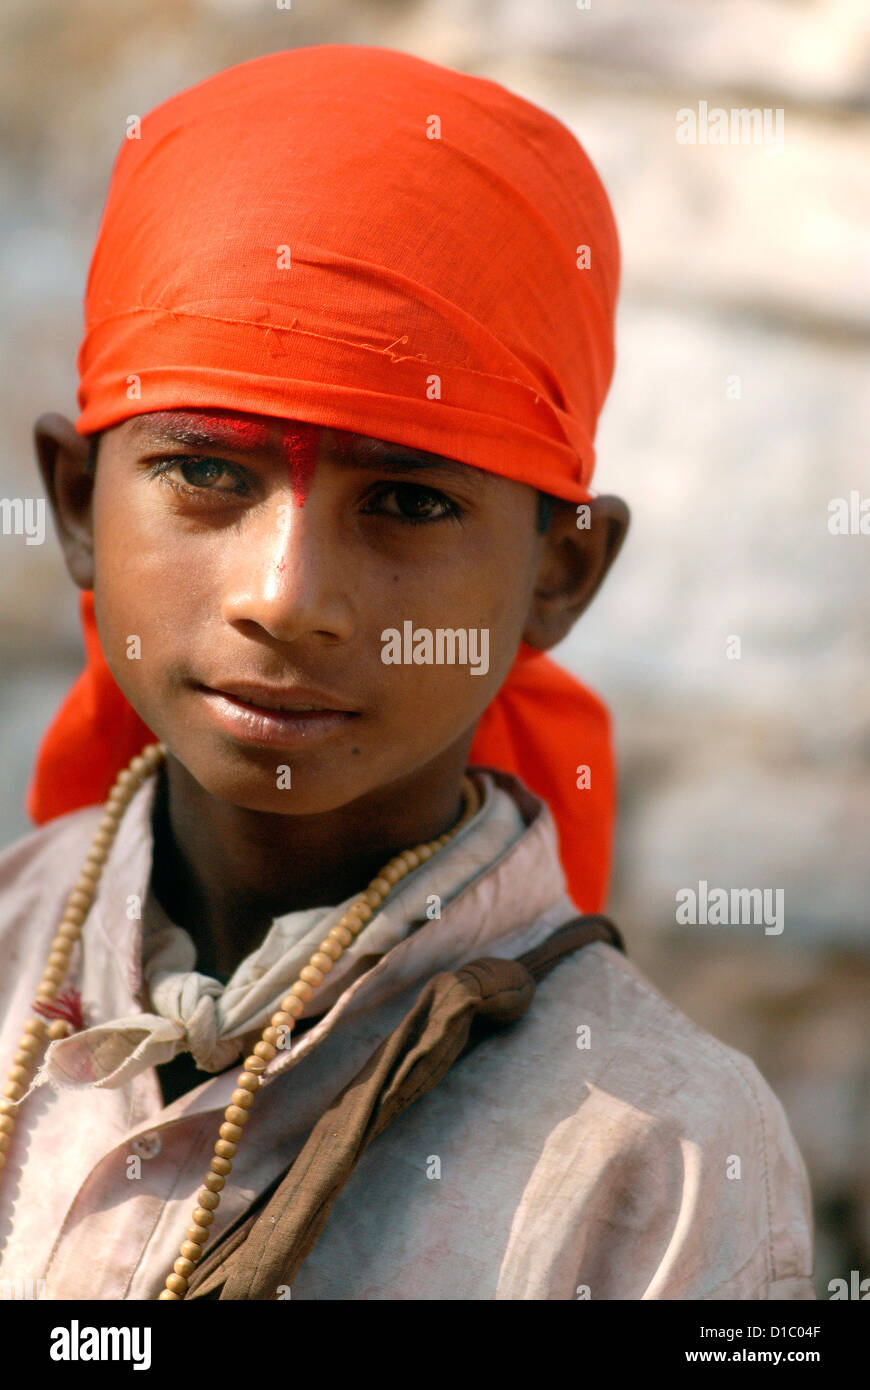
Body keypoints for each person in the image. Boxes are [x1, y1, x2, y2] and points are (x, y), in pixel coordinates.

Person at [0, 45, 815, 1300]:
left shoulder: (658, 1153)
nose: (286, 598)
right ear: (75, 504)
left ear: (561, 573)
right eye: (210, 473)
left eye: (407, 498)